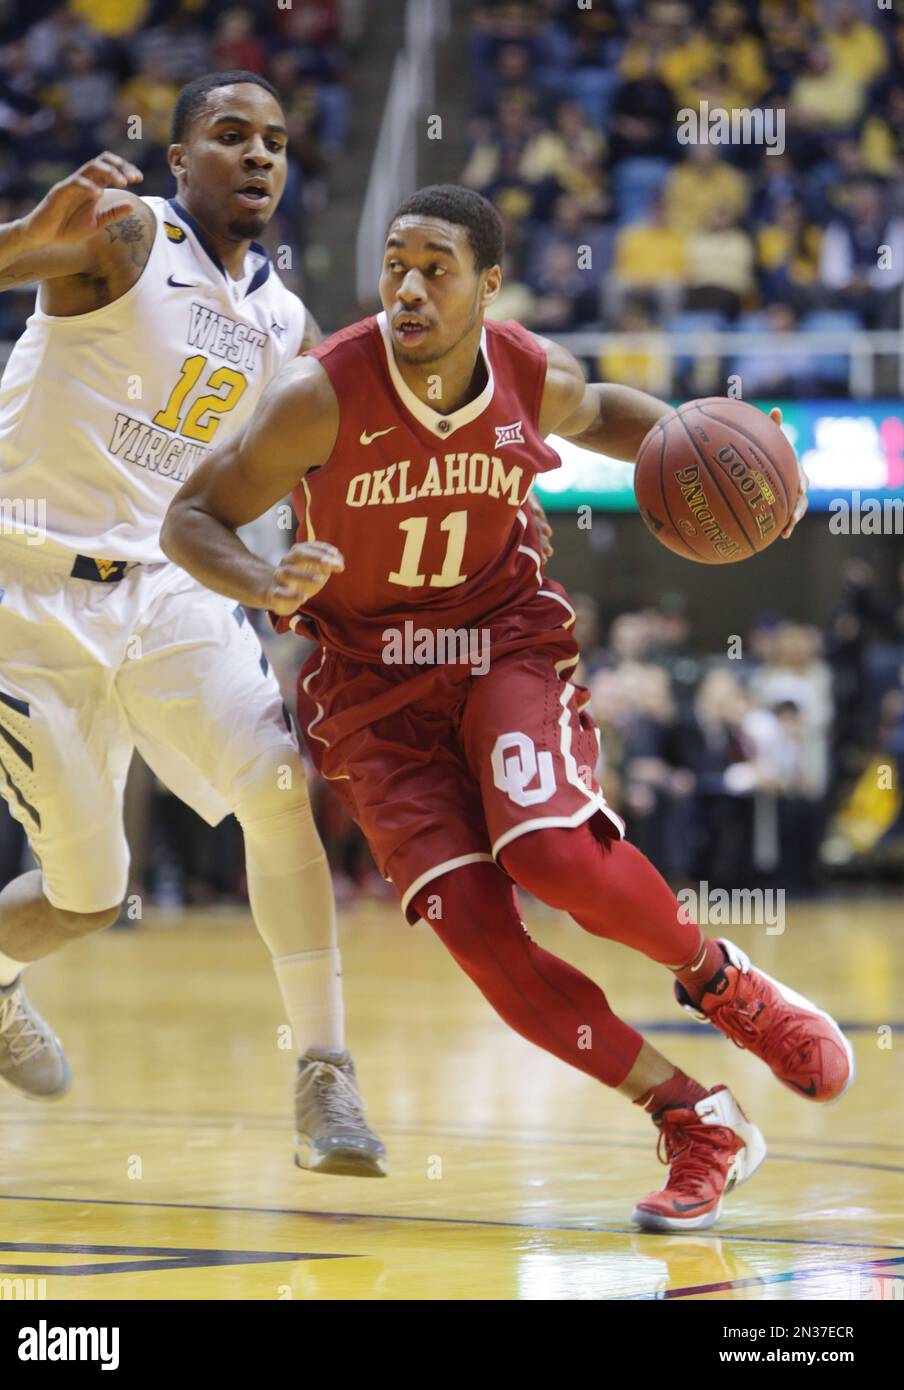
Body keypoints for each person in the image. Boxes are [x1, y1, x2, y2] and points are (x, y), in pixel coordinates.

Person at [162, 184, 854, 1231]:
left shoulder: (528, 372)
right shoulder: (319, 394)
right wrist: (262, 581)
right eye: (395, 265)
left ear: (488, 285)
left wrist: (736, 458)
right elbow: (191, 516)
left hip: (500, 640)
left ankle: (721, 980)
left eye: (435, 269)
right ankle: (695, 1117)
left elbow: (606, 413)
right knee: (483, 938)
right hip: (369, 685)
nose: (407, 288)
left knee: (551, 854)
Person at [0, 70, 385, 1178]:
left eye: (276, 141)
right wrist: (18, 237)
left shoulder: (284, 320)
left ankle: (325, 1069)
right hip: (23, 588)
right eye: (231, 134)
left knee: (276, 783)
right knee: (87, 895)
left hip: (169, 585)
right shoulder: (122, 235)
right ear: (180, 158)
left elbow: (324, 458)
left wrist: (288, 569)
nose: (259, 155)